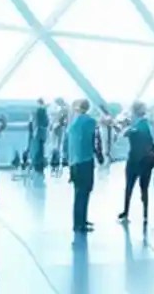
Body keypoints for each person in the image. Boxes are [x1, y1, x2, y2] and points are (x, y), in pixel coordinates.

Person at [118, 101, 154, 225]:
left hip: (135, 160)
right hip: (146, 161)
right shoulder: (147, 125)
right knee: (144, 188)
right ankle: (145, 213)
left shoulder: (136, 125)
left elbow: (124, 134)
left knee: (129, 187)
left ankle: (126, 211)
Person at [66, 99, 98, 233]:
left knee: (78, 193)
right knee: (85, 192)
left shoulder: (72, 124)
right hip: (86, 160)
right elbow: (93, 141)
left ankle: (78, 221)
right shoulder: (90, 122)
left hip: (74, 162)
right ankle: (81, 222)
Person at [29, 97, 48, 175]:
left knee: (37, 149)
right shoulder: (45, 111)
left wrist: (34, 131)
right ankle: (40, 165)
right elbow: (46, 123)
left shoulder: (37, 111)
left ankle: (37, 165)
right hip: (43, 132)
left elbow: (35, 122)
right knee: (41, 149)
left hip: (38, 132)